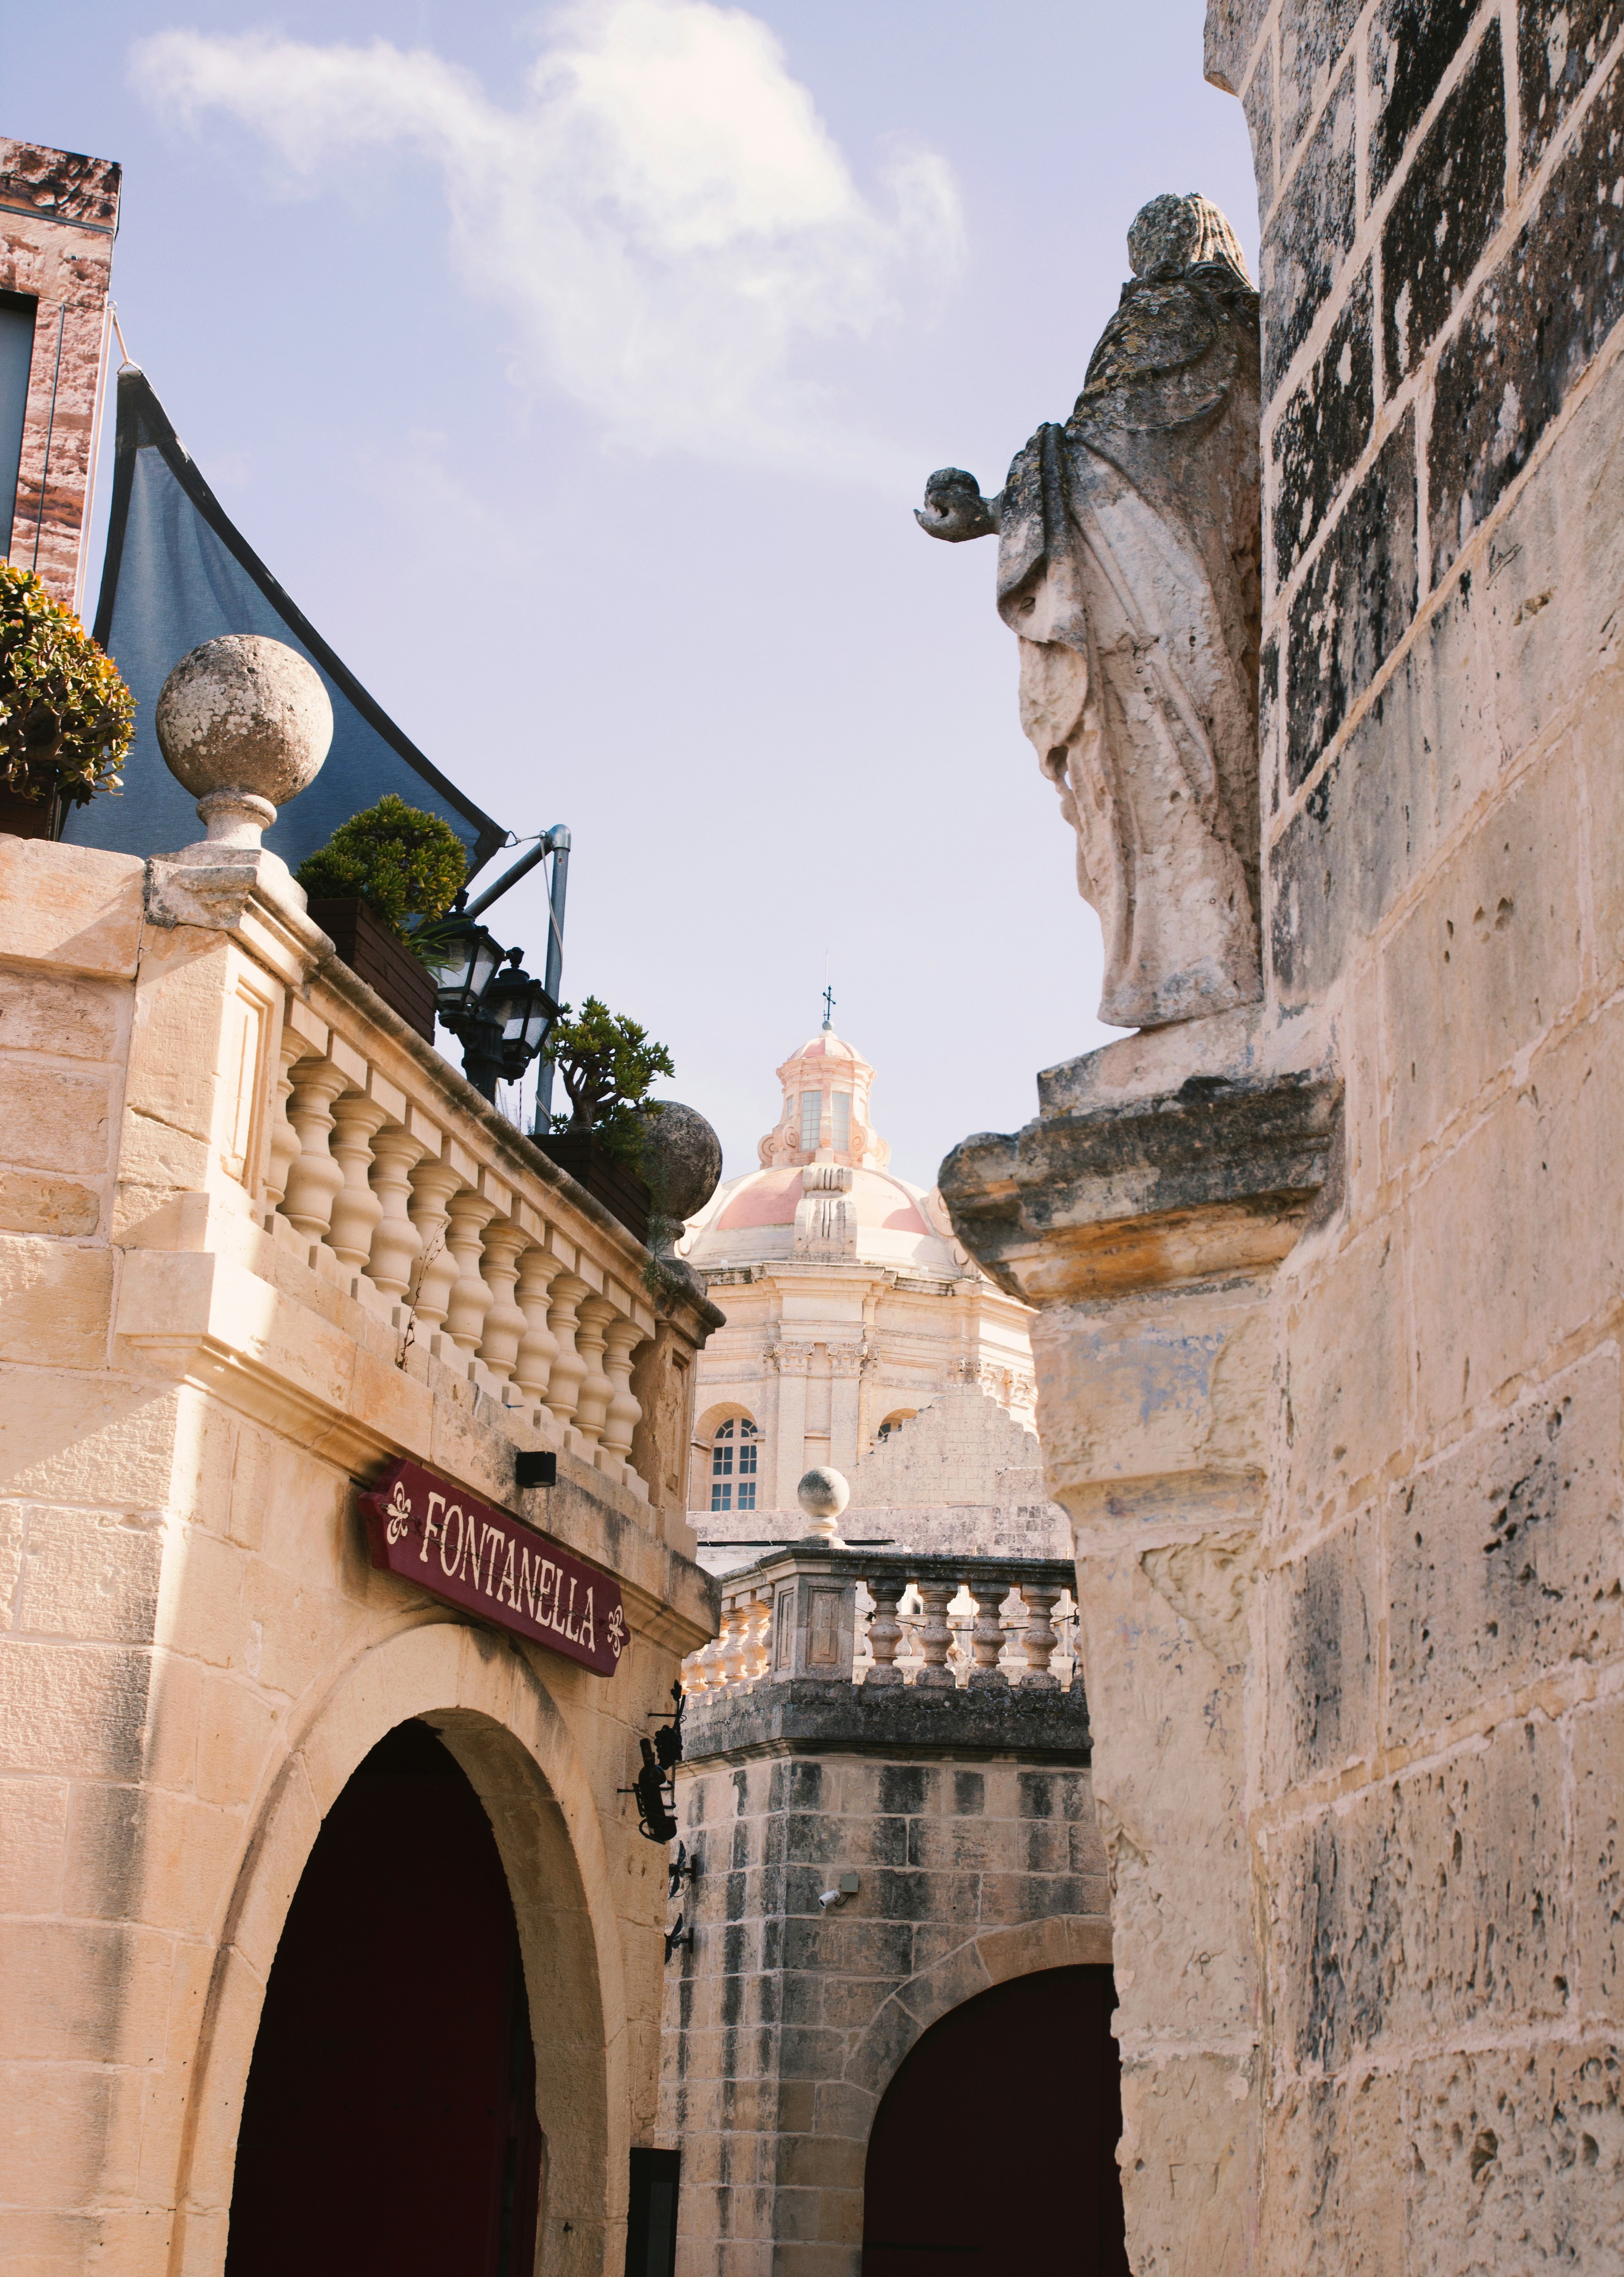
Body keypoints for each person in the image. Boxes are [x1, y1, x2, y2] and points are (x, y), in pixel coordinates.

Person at [917, 193, 1263, 1030]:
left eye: (1159, 243)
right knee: (1168, 765)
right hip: (1176, 587)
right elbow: (1100, 455)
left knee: (1176, 763)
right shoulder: (1244, 326)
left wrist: (1000, 507)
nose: (1149, 263)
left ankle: (1198, 961)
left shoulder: (1176, 320)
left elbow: (1098, 455)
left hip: (1173, 588)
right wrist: (1005, 506)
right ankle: (1187, 960)